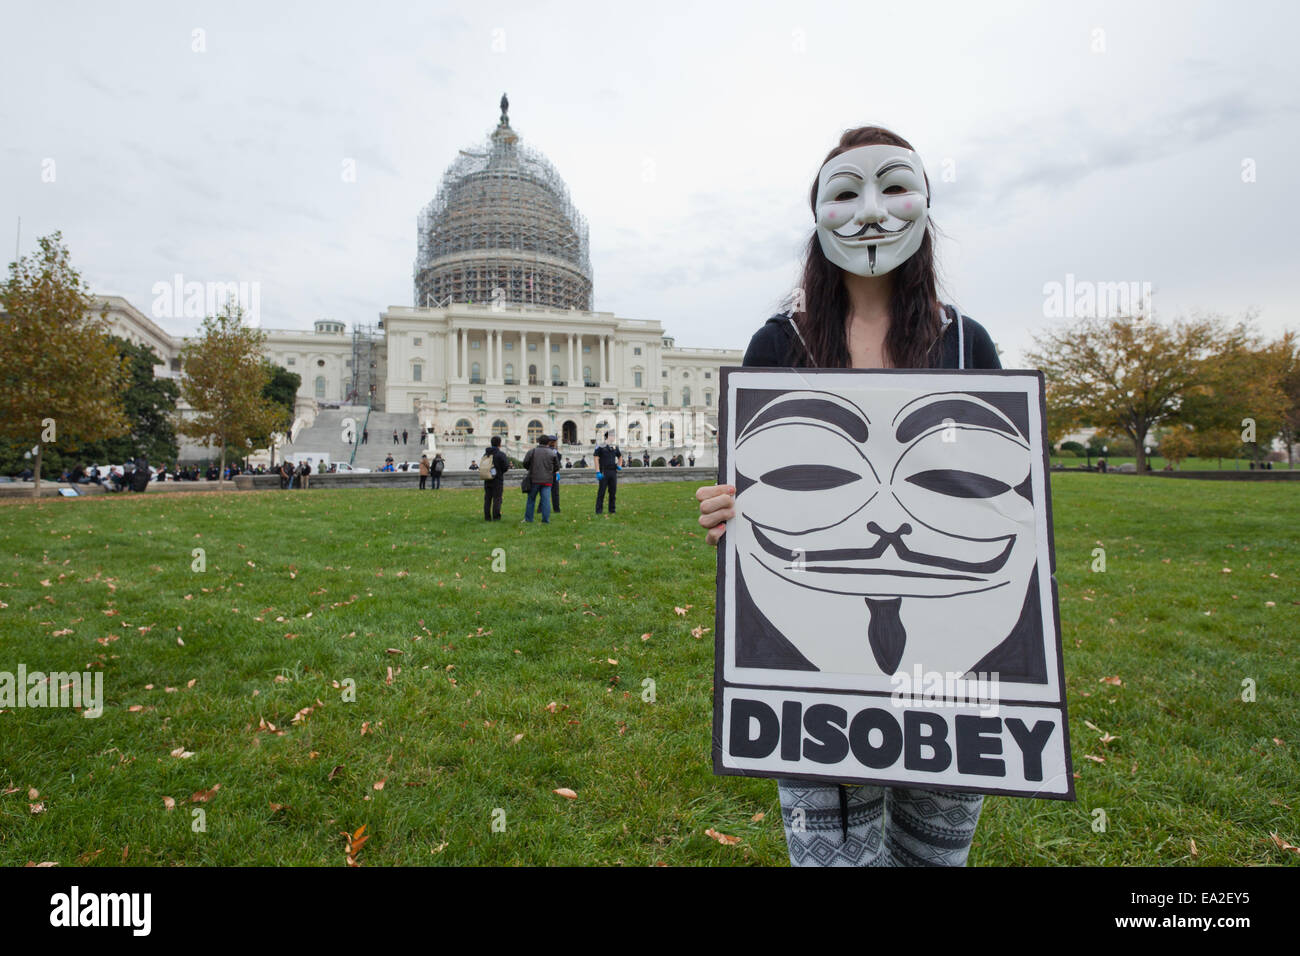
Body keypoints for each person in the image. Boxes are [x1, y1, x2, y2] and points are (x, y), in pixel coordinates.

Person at [696, 125, 994, 868]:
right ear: (816, 213)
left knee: (934, 860)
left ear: (926, 203)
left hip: (949, 659)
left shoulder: (968, 346)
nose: (870, 212)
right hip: (810, 659)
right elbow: (754, 490)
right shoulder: (777, 347)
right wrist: (726, 510)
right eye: (845, 192)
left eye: (893, 186)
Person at [522, 434, 558, 523]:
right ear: (548, 442)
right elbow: (557, 467)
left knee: (531, 500)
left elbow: (525, 463)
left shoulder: (532, 451)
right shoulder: (552, 453)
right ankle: (545, 520)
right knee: (546, 501)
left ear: (538, 441)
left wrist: (530, 468)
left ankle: (528, 519)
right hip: (547, 480)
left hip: (534, 479)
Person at [481, 436, 510, 521]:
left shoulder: (486, 454)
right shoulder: (501, 454)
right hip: (497, 479)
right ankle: (496, 516)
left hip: (487, 478)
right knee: (497, 498)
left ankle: (487, 517)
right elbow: (505, 467)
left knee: (487, 499)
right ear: (500, 444)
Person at [594, 430, 622, 515]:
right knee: (601, 492)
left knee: (613, 492)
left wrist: (619, 465)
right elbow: (596, 458)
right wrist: (598, 472)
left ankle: (612, 510)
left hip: (613, 471)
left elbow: (620, 456)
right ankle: (599, 511)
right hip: (604, 472)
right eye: (612, 436)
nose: (614, 438)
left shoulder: (614, 447)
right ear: (608, 436)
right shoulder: (600, 446)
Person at [548, 436, 562, 513]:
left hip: (547, 473)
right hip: (553, 473)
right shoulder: (554, 452)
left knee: (545, 492)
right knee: (555, 493)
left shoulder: (548, 450)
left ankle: (540, 509)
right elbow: (558, 460)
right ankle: (556, 509)